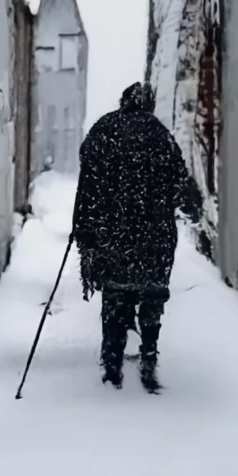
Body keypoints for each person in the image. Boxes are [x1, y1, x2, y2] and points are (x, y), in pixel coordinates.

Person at [71, 82, 202, 393]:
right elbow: (180, 183)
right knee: (152, 298)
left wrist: (83, 226)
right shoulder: (160, 136)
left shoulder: (104, 130)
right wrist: (175, 204)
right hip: (153, 237)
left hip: (113, 235)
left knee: (115, 297)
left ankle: (112, 364)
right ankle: (148, 358)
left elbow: (87, 180)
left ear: (123, 102)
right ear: (148, 105)